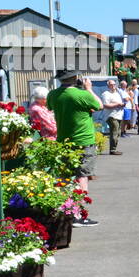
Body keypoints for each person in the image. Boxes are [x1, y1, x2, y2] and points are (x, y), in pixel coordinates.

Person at [46, 72, 102, 226]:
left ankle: (65, 211)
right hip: (83, 141)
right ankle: (78, 214)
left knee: (65, 177)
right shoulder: (82, 94)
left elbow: (50, 107)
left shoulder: (53, 95)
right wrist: (89, 89)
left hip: (64, 141)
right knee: (82, 176)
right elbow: (99, 105)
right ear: (75, 78)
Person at [101, 78, 125, 154]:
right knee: (114, 132)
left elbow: (121, 102)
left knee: (118, 133)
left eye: (114, 84)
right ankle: (112, 150)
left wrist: (122, 105)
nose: (113, 86)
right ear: (108, 86)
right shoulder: (106, 94)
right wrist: (117, 104)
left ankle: (114, 149)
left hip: (119, 115)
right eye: (111, 85)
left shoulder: (117, 93)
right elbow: (106, 105)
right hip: (111, 116)